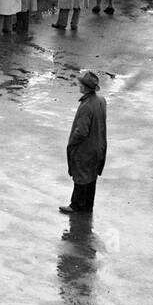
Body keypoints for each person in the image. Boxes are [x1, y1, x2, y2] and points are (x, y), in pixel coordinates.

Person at [60, 71, 107, 215]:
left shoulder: (86, 106)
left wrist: (72, 143)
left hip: (86, 149)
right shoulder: (101, 100)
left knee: (80, 176)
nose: (78, 85)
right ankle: (87, 205)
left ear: (85, 88)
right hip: (98, 146)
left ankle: (76, 205)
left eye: (81, 84)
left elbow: (82, 131)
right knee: (91, 177)